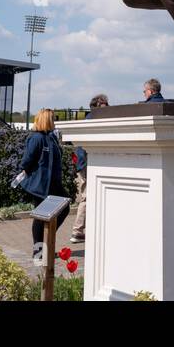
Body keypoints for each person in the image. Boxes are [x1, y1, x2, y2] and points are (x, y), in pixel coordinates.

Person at [20, 108, 69, 255]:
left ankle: (47, 242)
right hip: (40, 185)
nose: (55, 121)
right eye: (53, 119)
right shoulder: (36, 138)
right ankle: (39, 252)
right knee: (40, 218)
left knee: (63, 209)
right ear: (47, 120)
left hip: (53, 184)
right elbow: (26, 161)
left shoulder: (51, 137)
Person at [69, 94, 109, 244]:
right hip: (86, 166)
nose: (107, 108)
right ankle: (77, 231)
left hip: (87, 165)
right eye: (105, 105)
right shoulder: (91, 121)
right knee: (87, 198)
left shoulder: (92, 120)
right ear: (97, 106)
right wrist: (84, 169)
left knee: (89, 198)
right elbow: (82, 149)